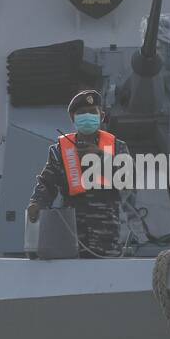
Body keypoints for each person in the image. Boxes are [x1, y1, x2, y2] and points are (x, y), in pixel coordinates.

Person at [27, 90, 131, 258]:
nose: (87, 117)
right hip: (72, 233)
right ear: (72, 117)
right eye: (81, 113)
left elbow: (128, 181)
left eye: (92, 112)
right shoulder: (60, 150)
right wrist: (36, 203)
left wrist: (101, 157)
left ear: (102, 116)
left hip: (107, 235)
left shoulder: (117, 147)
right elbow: (47, 183)